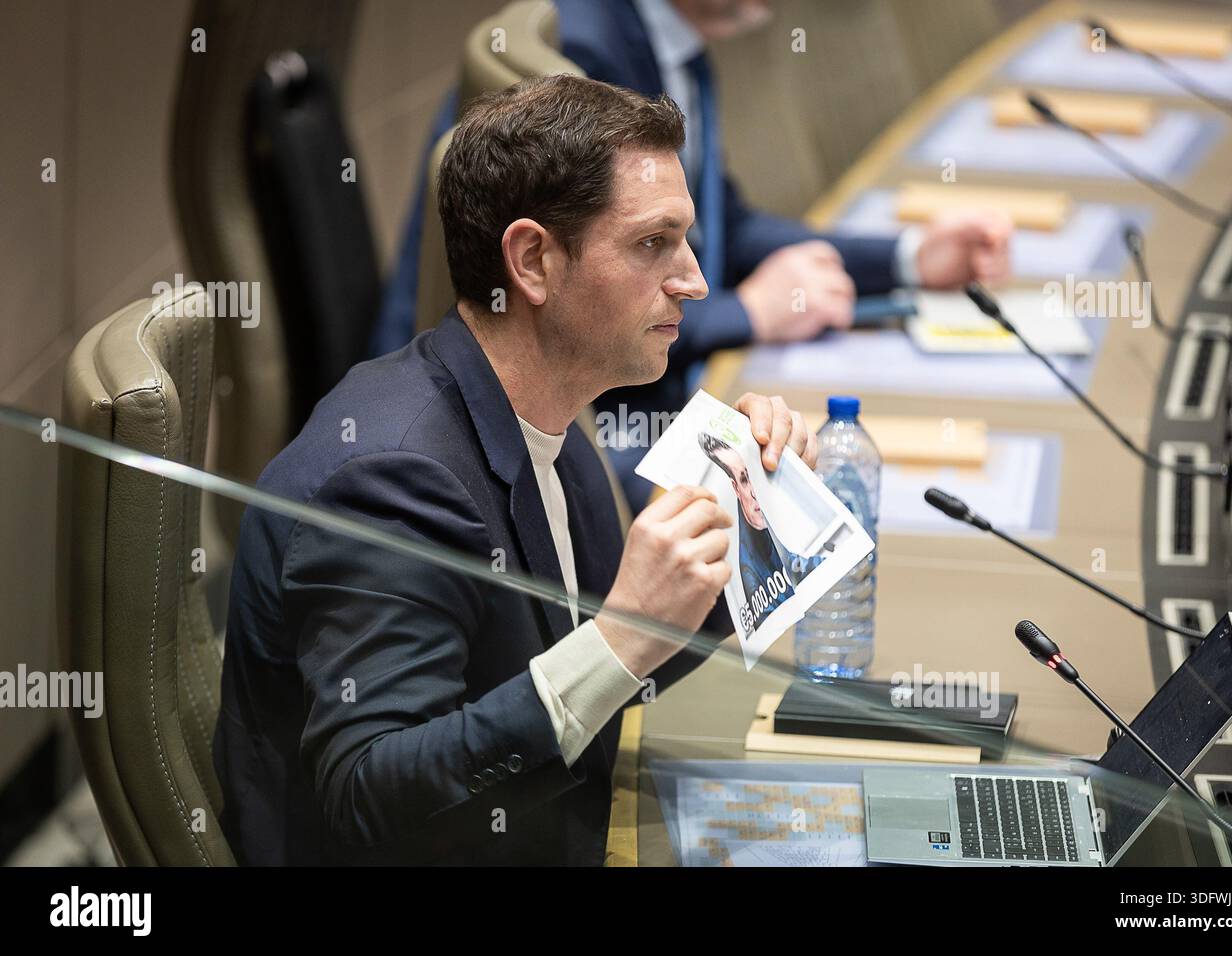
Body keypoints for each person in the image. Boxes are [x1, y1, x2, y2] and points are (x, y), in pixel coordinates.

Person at [213, 74, 816, 866]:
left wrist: (741, 543)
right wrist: (624, 637)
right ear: (532, 261)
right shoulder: (392, 479)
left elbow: (590, 672)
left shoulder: (543, 414)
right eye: (651, 244)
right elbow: (369, 800)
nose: (695, 282)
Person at [371, 0, 1011, 510]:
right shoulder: (588, 53)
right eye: (658, 242)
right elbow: (587, 288)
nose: (696, 278)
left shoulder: (673, 40)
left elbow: (722, 225)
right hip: (590, 424)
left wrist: (908, 257)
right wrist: (752, 313)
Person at [698, 431, 817, 635]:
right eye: (745, 480)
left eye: (753, 475)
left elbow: (796, 564)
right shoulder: (745, 568)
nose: (754, 491)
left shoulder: (769, 525)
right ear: (735, 489)